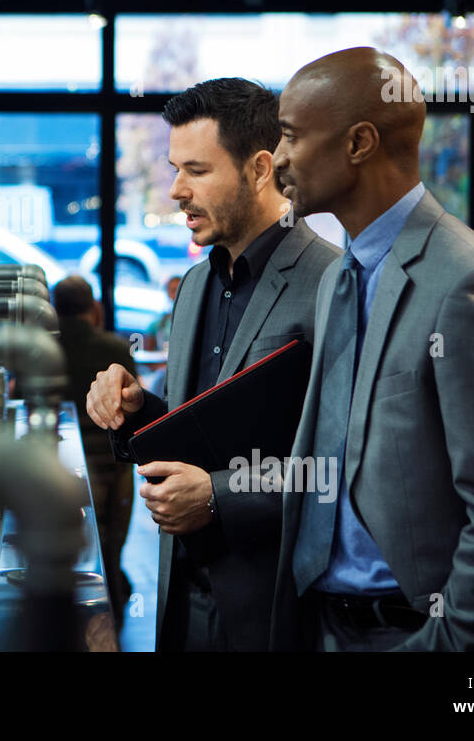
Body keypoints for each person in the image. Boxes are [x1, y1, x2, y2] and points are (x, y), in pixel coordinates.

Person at [269, 47, 474, 651]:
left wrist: (446, 644)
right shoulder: (339, 278)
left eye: (291, 136)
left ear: (358, 144)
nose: (277, 160)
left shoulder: (471, 283)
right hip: (330, 628)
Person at [86, 78, 340, 651]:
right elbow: (201, 426)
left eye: (196, 171)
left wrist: (217, 497)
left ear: (259, 169)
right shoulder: (196, 285)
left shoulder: (334, 283)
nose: (175, 190)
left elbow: (345, 468)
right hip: (182, 594)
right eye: (175, 168)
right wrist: (136, 411)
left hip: (275, 607)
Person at [52, 275, 140, 626]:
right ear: (95, 309)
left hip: (58, 471)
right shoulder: (115, 350)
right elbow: (133, 410)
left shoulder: (40, 349)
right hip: (111, 471)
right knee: (109, 554)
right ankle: (111, 622)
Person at [148, 275, 181, 351]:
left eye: (179, 290)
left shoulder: (194, 319)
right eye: (173, 290)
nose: (176, 294)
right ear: (168, 293)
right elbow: (148, 354)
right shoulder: (157, 324)